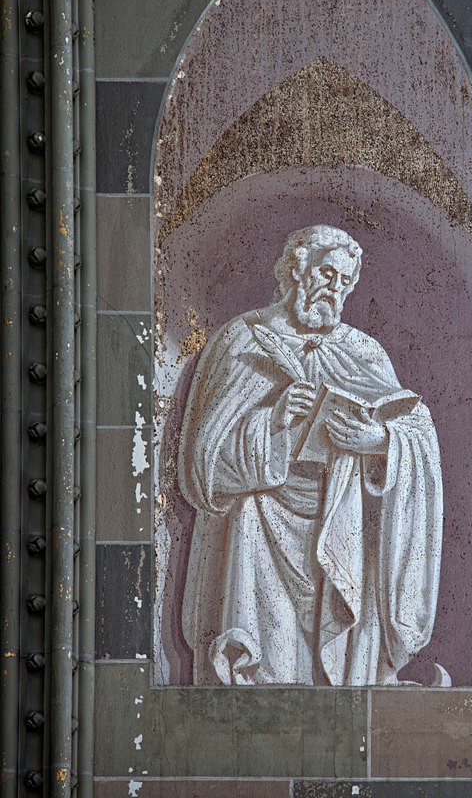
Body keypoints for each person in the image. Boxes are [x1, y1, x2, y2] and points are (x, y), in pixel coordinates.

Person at [178, 225, 443, 685]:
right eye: (326, 273)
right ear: (295, 270)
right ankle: (257, 681)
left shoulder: (364, 352)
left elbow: (416, 432)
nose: (334, 289)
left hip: (343, 514)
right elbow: (202, 464)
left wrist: (379, 441)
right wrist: (272, 422)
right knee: (248, 507)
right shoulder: (243, 341)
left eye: (344, 282)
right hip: (264, 518)